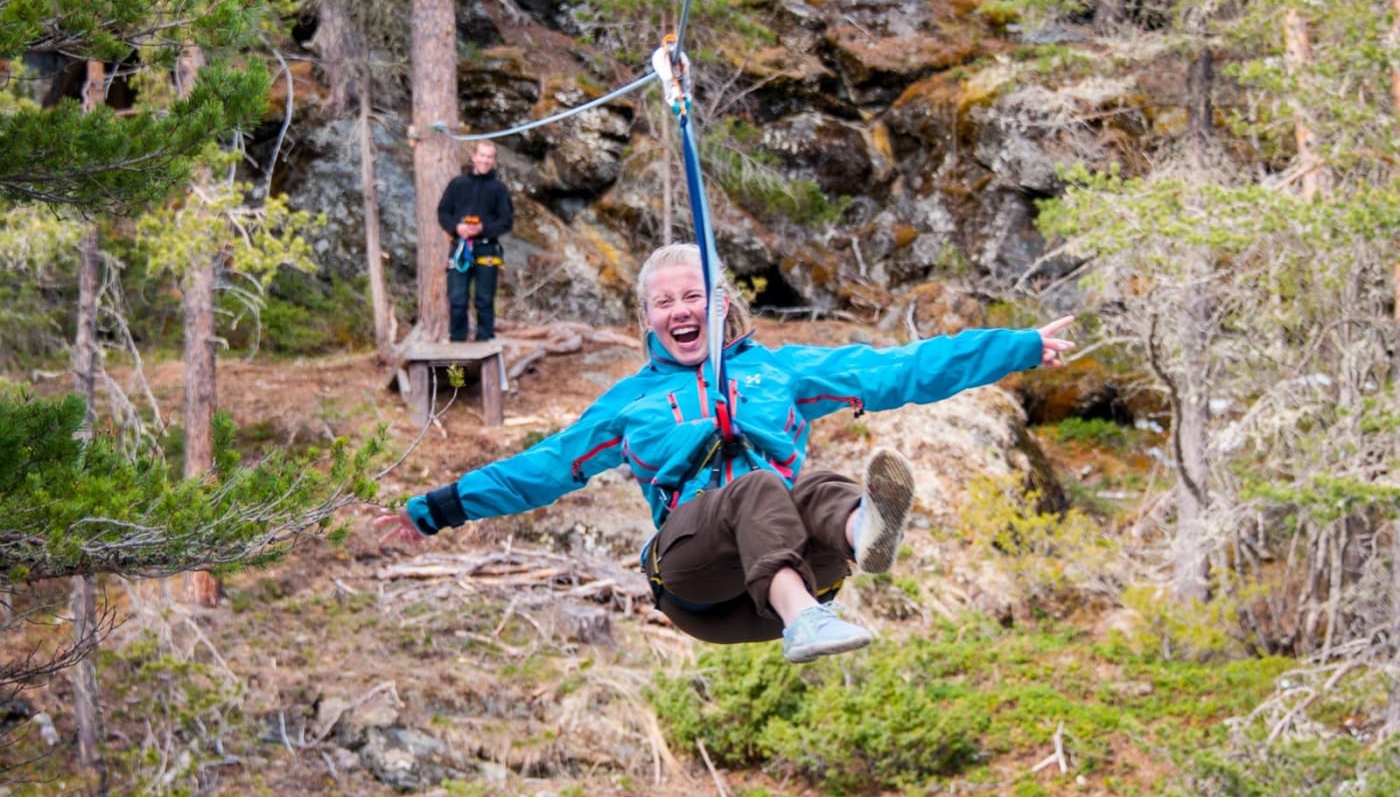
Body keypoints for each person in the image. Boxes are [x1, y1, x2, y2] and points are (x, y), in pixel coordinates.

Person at [377, 242, 1075, 663]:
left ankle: (865, 532)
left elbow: (901, 368)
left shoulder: (781, 372)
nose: (680, 311)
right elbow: (539, 470)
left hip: (804, 563)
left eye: (693, 296)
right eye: (663, 302)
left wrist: (1020, 346)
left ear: (721, 305)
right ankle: (805, 617)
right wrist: (433, 510)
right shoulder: (630, 403)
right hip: (700, 584)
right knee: (755, 489)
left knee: (813, 485)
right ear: (647, 318)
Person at [437, 140, 514, 342]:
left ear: (494, 160)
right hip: (460, 248)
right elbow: (443, 212)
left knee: (484, 299)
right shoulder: (458, 184)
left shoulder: (499, 189)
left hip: (487, 249)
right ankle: (457, 340)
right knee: (457, 298)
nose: (485, 161)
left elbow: (506, 221)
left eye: (490, 157)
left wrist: (483, 229)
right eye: (482, 155)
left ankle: (485, 340)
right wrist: (456, 228)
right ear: (474, 157)